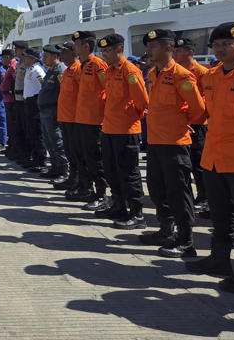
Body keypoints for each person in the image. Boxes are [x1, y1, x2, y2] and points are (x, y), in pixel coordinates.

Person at [138, 29, 205, 257]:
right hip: (155, 142)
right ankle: (166, 230)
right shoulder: (152, 74)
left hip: (175, 143)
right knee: (157, 189)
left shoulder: (181, 75)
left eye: (154, 46)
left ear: (168, 48)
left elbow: (198, 111)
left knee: (178, 192)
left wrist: (179, 123)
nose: (149, 50)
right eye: (148, 46)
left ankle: (186, 240)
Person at [186, 22, 234, 290]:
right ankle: (219, 259)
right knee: (219, 215)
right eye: (216, 46)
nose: (219, 50)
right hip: (214, 157)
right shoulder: (211, 76)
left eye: (226, 44)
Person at [93, 34, 149, 228]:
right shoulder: (110, 71)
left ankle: (137, 214)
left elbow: (142, 101)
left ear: (118, 50)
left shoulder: (130, 71)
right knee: (111, 170)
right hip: (109, 128)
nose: (104, 55)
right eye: (103, 52)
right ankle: (118, 206)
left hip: (125, 130)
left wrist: (128, 117)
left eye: (107, 51)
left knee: (128, 173)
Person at [69, 30, 109, 211]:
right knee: (83, 156)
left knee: (95, 159)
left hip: (94, 120)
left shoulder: (98, 65)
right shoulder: (82, 66)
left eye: (77, 45)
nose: (75, 48)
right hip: (81, 119)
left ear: (85, 46)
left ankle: (101, 194)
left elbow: (108, 90)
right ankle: (86, 188)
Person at [173, 37, 211, 214]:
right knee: (185, 164)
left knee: (198, 163)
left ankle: (204, 197)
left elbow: (205, 102)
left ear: (190, 52)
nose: (176, 53)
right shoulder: (175, 71)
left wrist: (190, 120)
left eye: (180, 50)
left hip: (197, 124)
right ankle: (190, 196)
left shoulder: (202, 72)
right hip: (181, 125)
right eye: (174, 50)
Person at [36, 44, 68, 179]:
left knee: (57, 142)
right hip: (45, 111)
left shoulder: (60, 70)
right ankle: (55, 167)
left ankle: (63, 170)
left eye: (46, 56)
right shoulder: (51, 70)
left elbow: (63, 92)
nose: (44, 58)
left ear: (55, 56)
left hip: (53, 111)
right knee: (49, 142)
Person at [54, 41, 81, 190]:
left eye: (64, 52)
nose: (61, 55)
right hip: (65, 117)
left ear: (74, 53)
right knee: (70, 151)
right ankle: (73, 177)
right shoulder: (68, 70)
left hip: (74, 118)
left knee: (76, 152)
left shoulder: (78, 69)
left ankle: (78, 180)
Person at [21, 47, 46, 171]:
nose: (24, 59)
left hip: (35, 104)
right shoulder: (30, 69)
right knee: (31, 132)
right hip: (29, 103)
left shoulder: (37, 70)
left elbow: (44, 85)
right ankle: (34, 158)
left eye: (26, 57)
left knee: (37, 133)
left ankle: (40, 161)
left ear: (32, 59)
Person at [11, 41, 29, 163]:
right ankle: (20, 152)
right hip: (17, 99)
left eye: (17, 49)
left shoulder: (28, 64)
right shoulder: (19, 63)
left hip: (24, 100)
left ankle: (27, 155)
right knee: (18, 127)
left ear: (23, 50)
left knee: (26, 129)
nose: (15, 51)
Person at [0, 49, 17, 158]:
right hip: (7, 99)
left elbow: (16, 82)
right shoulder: (9, 67)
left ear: (7, 57)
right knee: (11, 127)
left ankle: (14, 148)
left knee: (13, 127)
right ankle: (11, 147)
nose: (2, 60)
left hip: (11, 100)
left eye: (3, 57)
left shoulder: (14, 66)